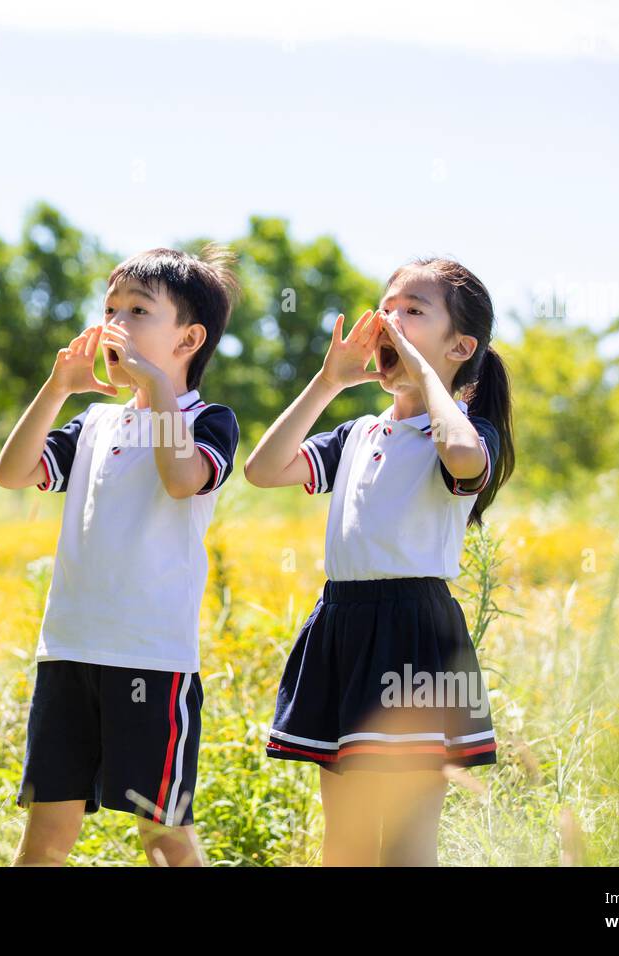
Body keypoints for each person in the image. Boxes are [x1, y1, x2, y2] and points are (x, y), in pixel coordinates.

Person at [244, 256, 515, 866]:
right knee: (344, 846)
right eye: (386, 307)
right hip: (343, 625)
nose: (389, 320)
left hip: (414, 636)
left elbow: (464, 457)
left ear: (461, 346)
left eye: (413, 312)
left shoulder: (465, 431)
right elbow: (262, 471)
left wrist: (423, 371)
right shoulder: (357, 434)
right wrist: (329, 382)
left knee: (404, 847)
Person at [0, 244, 241, 866]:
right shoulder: (94, 425)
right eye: (110, 308)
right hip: (70, 650)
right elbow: (13, 473)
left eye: (137, 310)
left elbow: (182, 478)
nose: (115, 323)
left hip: (151, 659)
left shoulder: (208, 420)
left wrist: (156, 384)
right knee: (45, 839)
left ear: (188, 339)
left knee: (163, 837)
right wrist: (58, 389)